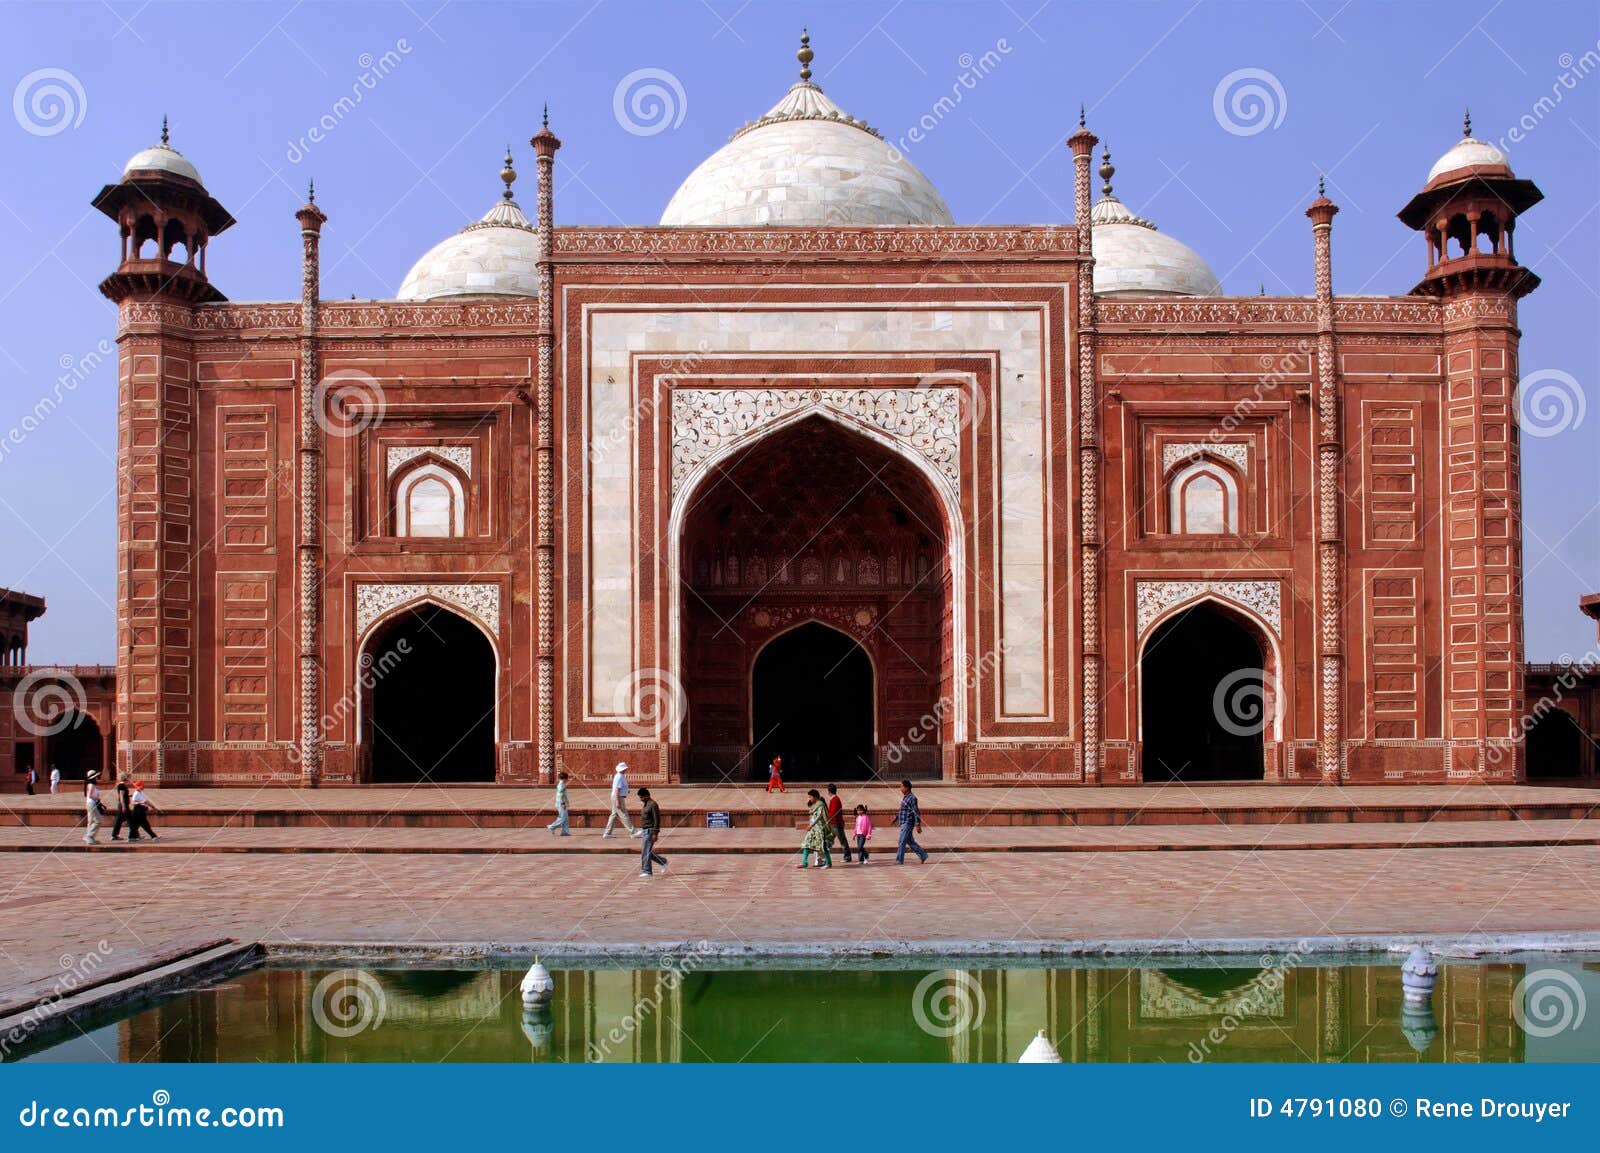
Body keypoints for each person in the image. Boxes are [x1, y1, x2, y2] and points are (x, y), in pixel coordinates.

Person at [894, 779, 928, 864]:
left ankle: (899, 860)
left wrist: (918, 824)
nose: (900, 788)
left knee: (901, 841)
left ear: (907, 787)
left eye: (901, 786)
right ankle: (923, 855)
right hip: (903, 822)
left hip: (908, 823)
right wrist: (896, 818)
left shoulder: (912, 798)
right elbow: (903, 810)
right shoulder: (906, 797)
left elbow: (916, 811)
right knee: (910, 841)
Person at [798, 788, 833, 869]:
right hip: (813, 830)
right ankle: (804, 862)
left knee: (823, 846)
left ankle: (828, 863)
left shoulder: (821, 805)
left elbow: (819, 816)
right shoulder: (814, 805)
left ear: (816, 797)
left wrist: (811, 825)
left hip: (820, 829)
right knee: (806, 844)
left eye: (810, 797)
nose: (809, 799)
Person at [604, 762, 640, 838]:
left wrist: (626, 791)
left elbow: (620, 788)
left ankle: (607, 833)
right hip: (618, 797)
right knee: (624, 814)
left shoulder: (620, 776)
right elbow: (617, 789)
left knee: (613, 815)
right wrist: (617, 801)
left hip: (617, 796)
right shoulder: (619, 776)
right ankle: (633, 832)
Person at [637, 787, 667, 877]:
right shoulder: (646, 804)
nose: (641, 799)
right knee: (646, 851)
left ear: (647, 796)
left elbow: (656, 820)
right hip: (645, 831)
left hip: (650, 831)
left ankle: (647, 871)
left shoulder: (653, 805)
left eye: (642, 797)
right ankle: (663, 861)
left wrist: (655, 833)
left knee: (645, 851)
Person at [824, 783, 852, 863]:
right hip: (834, 823)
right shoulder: (833, 799)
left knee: (842, 840)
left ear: (829, 792)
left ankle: (847, 857)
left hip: (837, 824)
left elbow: (833, 813)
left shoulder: (835, 799)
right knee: (829, 839)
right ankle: (824, 855)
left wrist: (827, 818)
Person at [546, 771, 571, 836]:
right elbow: (561, 795)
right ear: (565, 778)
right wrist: (563, 803)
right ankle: (552, 826)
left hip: (561, 802)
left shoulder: (562, 784)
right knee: (562, 817)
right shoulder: (561, 785)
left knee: (565, 818)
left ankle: (565, 832)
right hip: (561, 803)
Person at [82, 770, 103, 845]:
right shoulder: (91, 784)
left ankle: (90, 839)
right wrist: (97, 799)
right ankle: (89, 836)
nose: (97, 777)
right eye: (96, 776)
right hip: (92, 804)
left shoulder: (90, 784)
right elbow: (90, 795)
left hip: (90, 803)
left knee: (91, 821)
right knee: (98, 821)